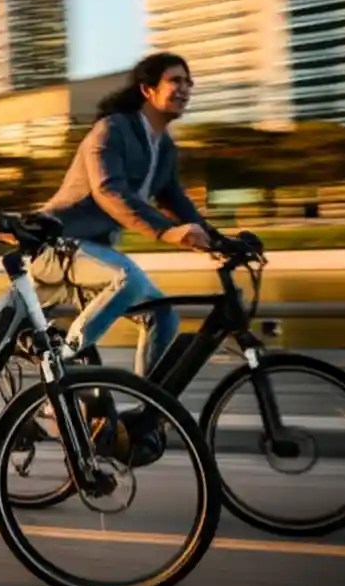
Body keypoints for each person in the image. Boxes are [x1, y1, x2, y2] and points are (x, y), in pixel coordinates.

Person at [30, 52, 216, 376]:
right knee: (127, 277)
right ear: (148, 90)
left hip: (93, 255)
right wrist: (167, 232)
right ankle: (61, 362)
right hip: (56, 244)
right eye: (176, 81)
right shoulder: (112, 129)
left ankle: (148, 412)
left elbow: (175, 200)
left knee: (162, 314)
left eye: (189, 82)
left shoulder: (164, 145)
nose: (185, 88)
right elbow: (109, 192)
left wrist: (220, 240)